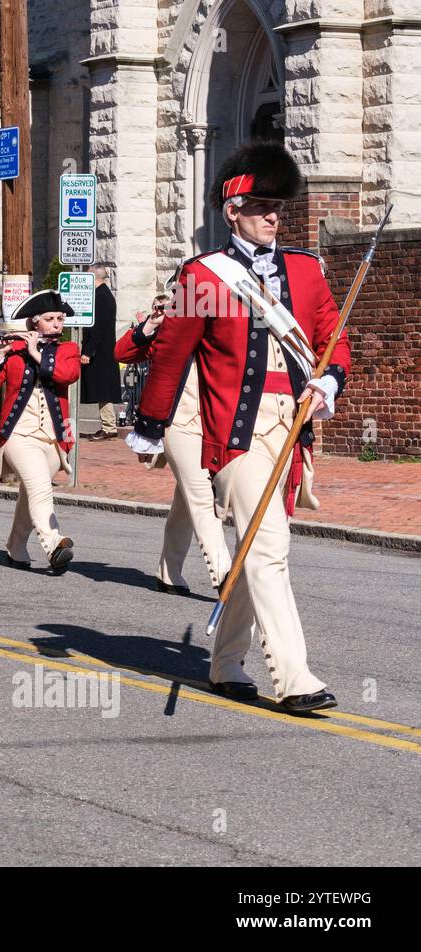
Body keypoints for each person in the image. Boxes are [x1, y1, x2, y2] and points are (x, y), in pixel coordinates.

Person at [127, 140, 349, 713]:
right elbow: (172, 355)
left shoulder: (305, 269)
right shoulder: (203, 276)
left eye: (280, 206)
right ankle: (293, 676)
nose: (276, 216)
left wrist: (329, 382)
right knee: (271, 545)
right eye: (263, 206)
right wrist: (150, 424)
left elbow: (331, 336)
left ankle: (225, 663)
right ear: (234, 211)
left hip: (292, 426)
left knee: (255, 546)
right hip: (236, 430)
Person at [114, 293, 232, 595]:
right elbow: (122, 353)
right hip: (176, 423)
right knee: (203, 497)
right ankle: (225, 575)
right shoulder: (166, 331)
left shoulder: (217, 331)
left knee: (186, 500)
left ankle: (168, 570)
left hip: (210, 425)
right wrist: (153, 323)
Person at [0, 290, 81, 573]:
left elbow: (66, 375)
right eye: (50, 319)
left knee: (31, 493)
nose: (57, 324)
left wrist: (37, 354)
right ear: (34, 322)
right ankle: (54, 543)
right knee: (39, 487)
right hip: (18, 433)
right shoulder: (15, 349)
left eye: (60, 319)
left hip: (52, 436)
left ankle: (15, 547)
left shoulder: (68, 350)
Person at [80, 265, 120, 440]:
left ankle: (109, 427)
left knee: (103, 389)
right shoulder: (101, 295)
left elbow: (99, 328)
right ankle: (107, 425)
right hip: (101, 350)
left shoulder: (102, 297)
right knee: (101, 389)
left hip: (102, 351)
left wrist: (88, 351)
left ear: (94, 277)